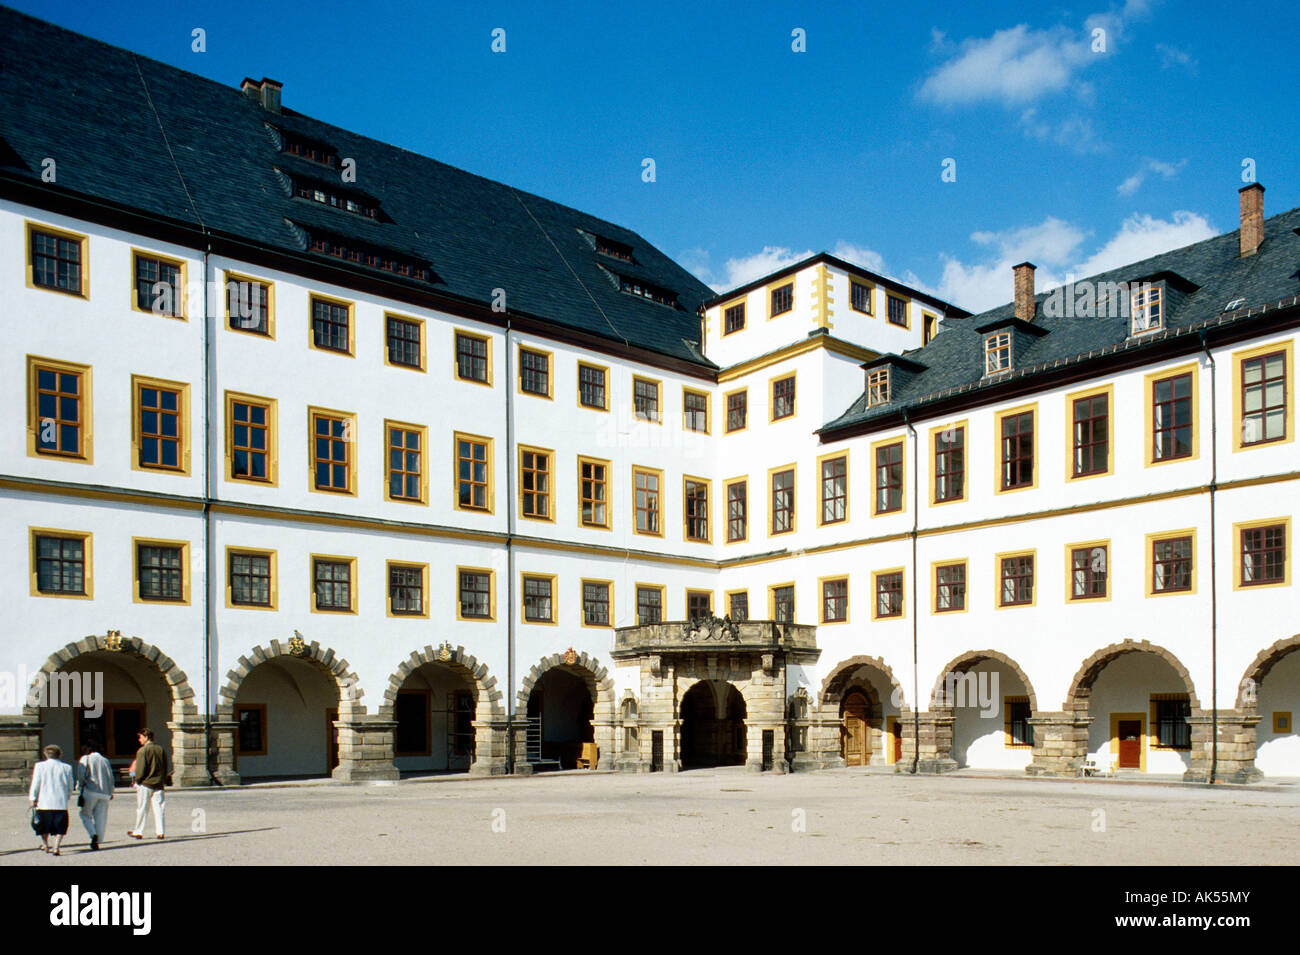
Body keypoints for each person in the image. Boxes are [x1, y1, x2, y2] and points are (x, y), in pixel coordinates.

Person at [29, 744, 75, 856]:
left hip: (44, 801)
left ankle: (45, 844)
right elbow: (70, 784)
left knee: (43, 825)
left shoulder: (39, 766)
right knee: (60, 826)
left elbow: (35, 783)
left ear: (45, 754)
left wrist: (32, 797)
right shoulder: (67, 767)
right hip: (60, 801)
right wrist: (68, 795)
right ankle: (56, 846)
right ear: (59, 754)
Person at [127, 728, 168, 840]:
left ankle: (138, 831)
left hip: (146, 784)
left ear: (146, 737)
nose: (139, 740)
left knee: (142, 808)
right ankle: (160, 832)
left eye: (140, 737)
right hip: (159, 783)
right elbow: (165, 767)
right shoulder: (161, 749)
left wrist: (138, 781)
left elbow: (141, 769)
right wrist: (163, 780)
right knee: (159, 809)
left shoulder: (142, 751)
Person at [76, 739, 115, 850]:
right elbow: (110, 777)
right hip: (104, 792)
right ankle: (99, 839)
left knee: (85, 814)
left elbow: (81, 775)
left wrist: (80, 787)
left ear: (88, 748)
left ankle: (93, 834)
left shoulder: (85, 759)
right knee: (101, 818)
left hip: (90, 791)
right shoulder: (105, 760)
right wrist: (111, 791)